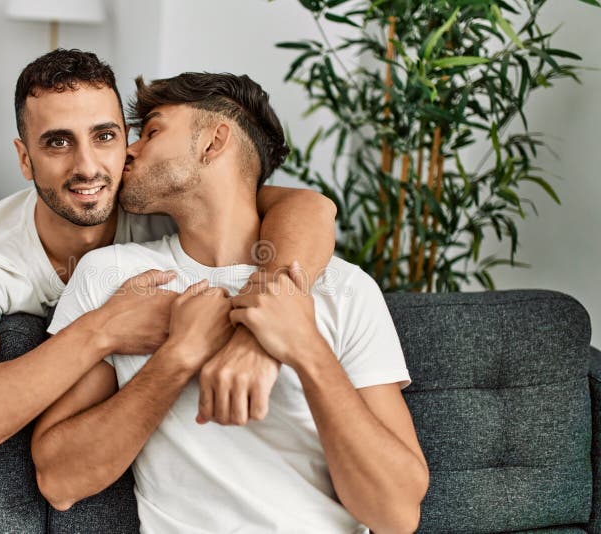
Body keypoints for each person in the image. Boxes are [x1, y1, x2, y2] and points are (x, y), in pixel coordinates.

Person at [0, 49, 337, 476]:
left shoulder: (159, 202)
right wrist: (103, 330)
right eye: (58, 142)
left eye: (105, 136)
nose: (88, 167)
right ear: (24, 158)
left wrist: (263, 332)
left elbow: (311, 208)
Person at [35, 72, 429, 533]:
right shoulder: (112, 276)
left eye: (153, 131)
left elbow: (397, 515)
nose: (128, 151)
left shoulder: (343, 288)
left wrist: (304, 348)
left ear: (214, 141)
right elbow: (59, 479)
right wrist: (177, 358)